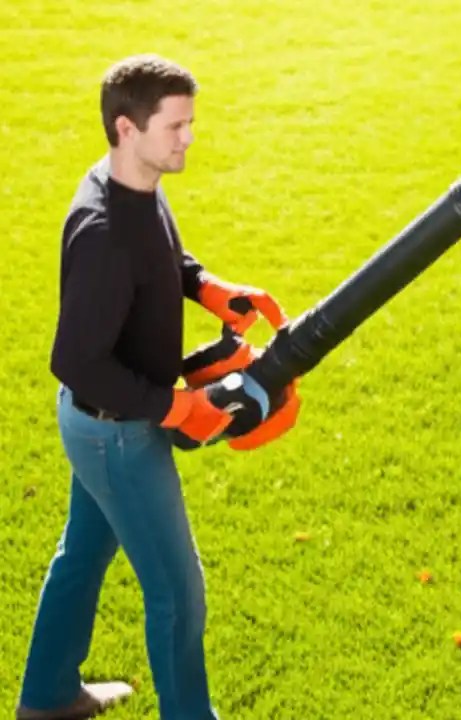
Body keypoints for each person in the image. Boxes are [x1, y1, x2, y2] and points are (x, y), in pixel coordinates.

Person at [15, 54, 287, 720]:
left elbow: (160, 254)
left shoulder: (129, 182)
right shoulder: (103, 233)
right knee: (177, 590)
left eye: (190, 123)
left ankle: (48, 696)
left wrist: (206, 285)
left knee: (83, 554)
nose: (189, 137)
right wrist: (178, 406)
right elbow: (75, 360)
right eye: (176, 126)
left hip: (100, 425)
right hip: (115, 432)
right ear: (126, 128)